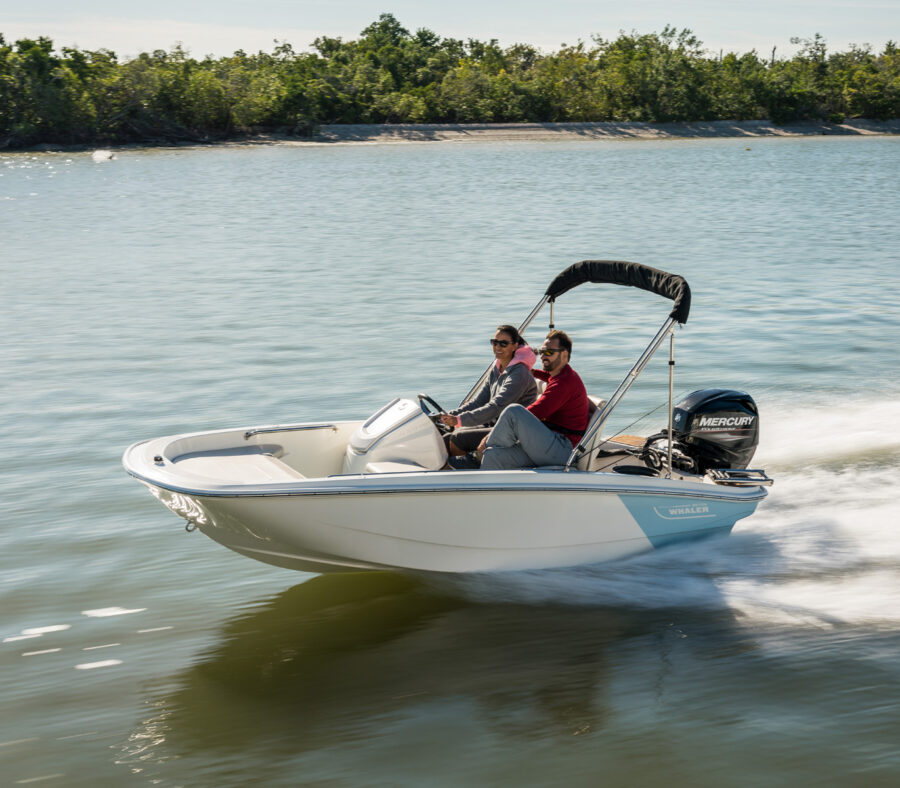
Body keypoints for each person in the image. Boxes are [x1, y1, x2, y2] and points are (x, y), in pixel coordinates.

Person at [479, 329, 590, 470]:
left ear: (564, 354)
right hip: (549, 443)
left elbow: (534, 412)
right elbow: (548, 377)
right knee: (492, 456)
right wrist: (531, 371)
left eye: (549, 352)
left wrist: (489, 437)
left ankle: (482, 449)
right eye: (542, 351)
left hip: (562, 450)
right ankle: (483, 488)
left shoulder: (564, 383)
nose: (543, 356)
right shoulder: (561, 375)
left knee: (514, 411)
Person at [439, 325, 538, 463]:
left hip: (511, 431)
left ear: (514, 346)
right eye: (494, 342)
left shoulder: (519, 373)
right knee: (445, 438)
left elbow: (496, 406)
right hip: (493, 423)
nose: (498, 347)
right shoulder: (497, 367)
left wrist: (459, 420)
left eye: (503, 343)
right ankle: (445, 472)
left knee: (458, 438)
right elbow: (478, 402)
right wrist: (451, 415)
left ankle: (469, 474)